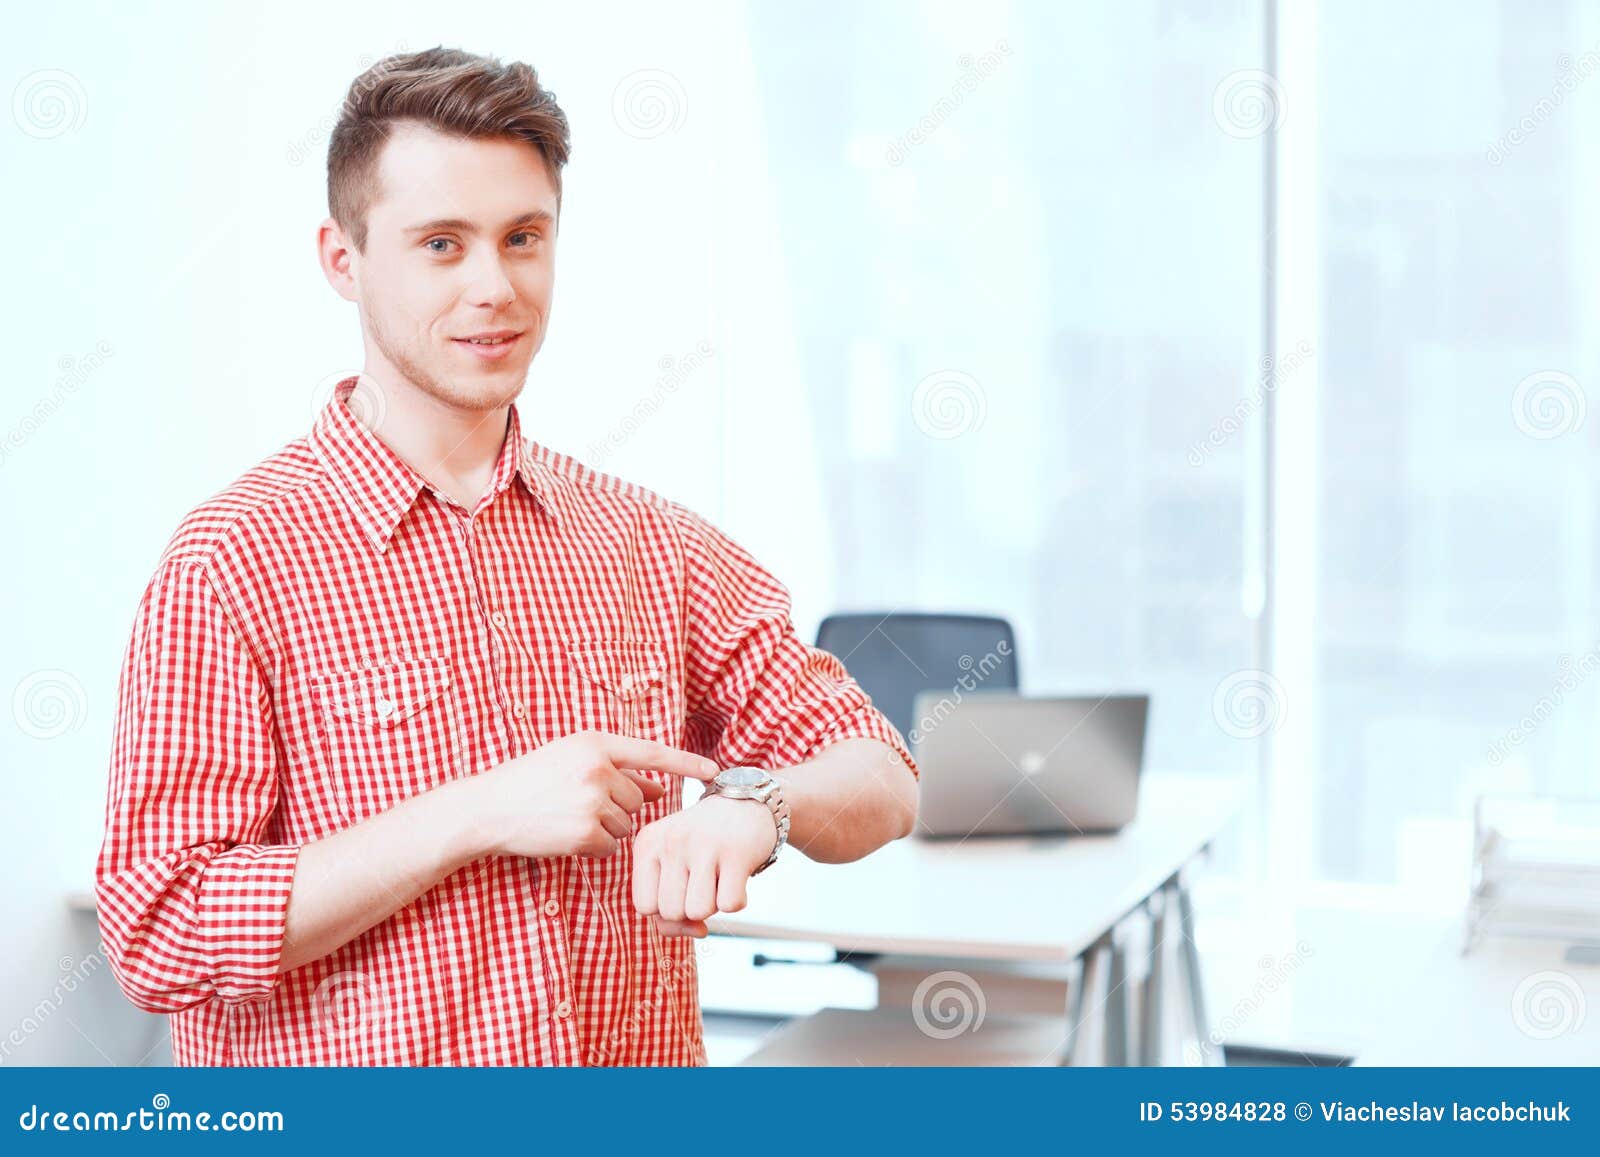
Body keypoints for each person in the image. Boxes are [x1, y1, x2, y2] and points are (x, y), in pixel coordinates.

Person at [93, 46, 918, 1066]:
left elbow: (881, 771)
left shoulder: (646, 543)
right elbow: (158, 928)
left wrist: (761, 803)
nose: (495, 286)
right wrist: (475, 812)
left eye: (522, 238)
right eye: (441, 244)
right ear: (342, 260)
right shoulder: (230, 562)